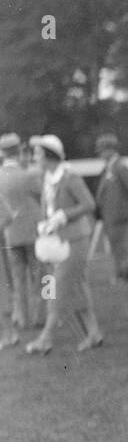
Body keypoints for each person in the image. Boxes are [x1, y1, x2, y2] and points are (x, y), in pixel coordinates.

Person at [24, 135, 104, 355]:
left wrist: (64, 216)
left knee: (55, 287)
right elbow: (47, 208)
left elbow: (89, 204)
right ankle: (94, 333)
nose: (34, 158)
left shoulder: (70, 178)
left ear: (50, 156)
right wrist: (44, 223)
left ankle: (46, 338)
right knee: (76, 288)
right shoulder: (47, 178)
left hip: (75, 241)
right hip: (56, 242)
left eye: (38, 154)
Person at [0, 132, 43, 330]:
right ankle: (40, 315)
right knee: (41, 276)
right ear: (17, 150)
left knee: (18, 280)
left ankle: (23, 319)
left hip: (11, 234)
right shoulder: (28, 175)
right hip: (34, 233)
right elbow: (42, 196)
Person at [93, 133, 128, 283]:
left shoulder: (120, 167)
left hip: (119, 214)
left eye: (102, 150)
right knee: (116, 245)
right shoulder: (109, 168)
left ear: (110, 150)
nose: (100, 154)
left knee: (117, 245)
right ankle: (123, 273)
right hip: (110, 215)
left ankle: (122, 275)